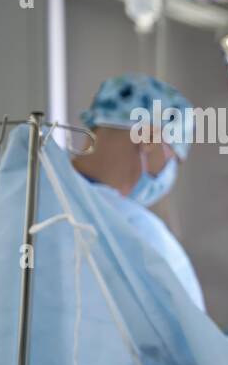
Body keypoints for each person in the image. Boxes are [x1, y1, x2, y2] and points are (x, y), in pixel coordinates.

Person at [71, 73, 204, 309]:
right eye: (173, 157)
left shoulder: (28, 192)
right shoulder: (141, 235)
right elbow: (194, 341)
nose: (169, 172)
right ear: (149, 140)